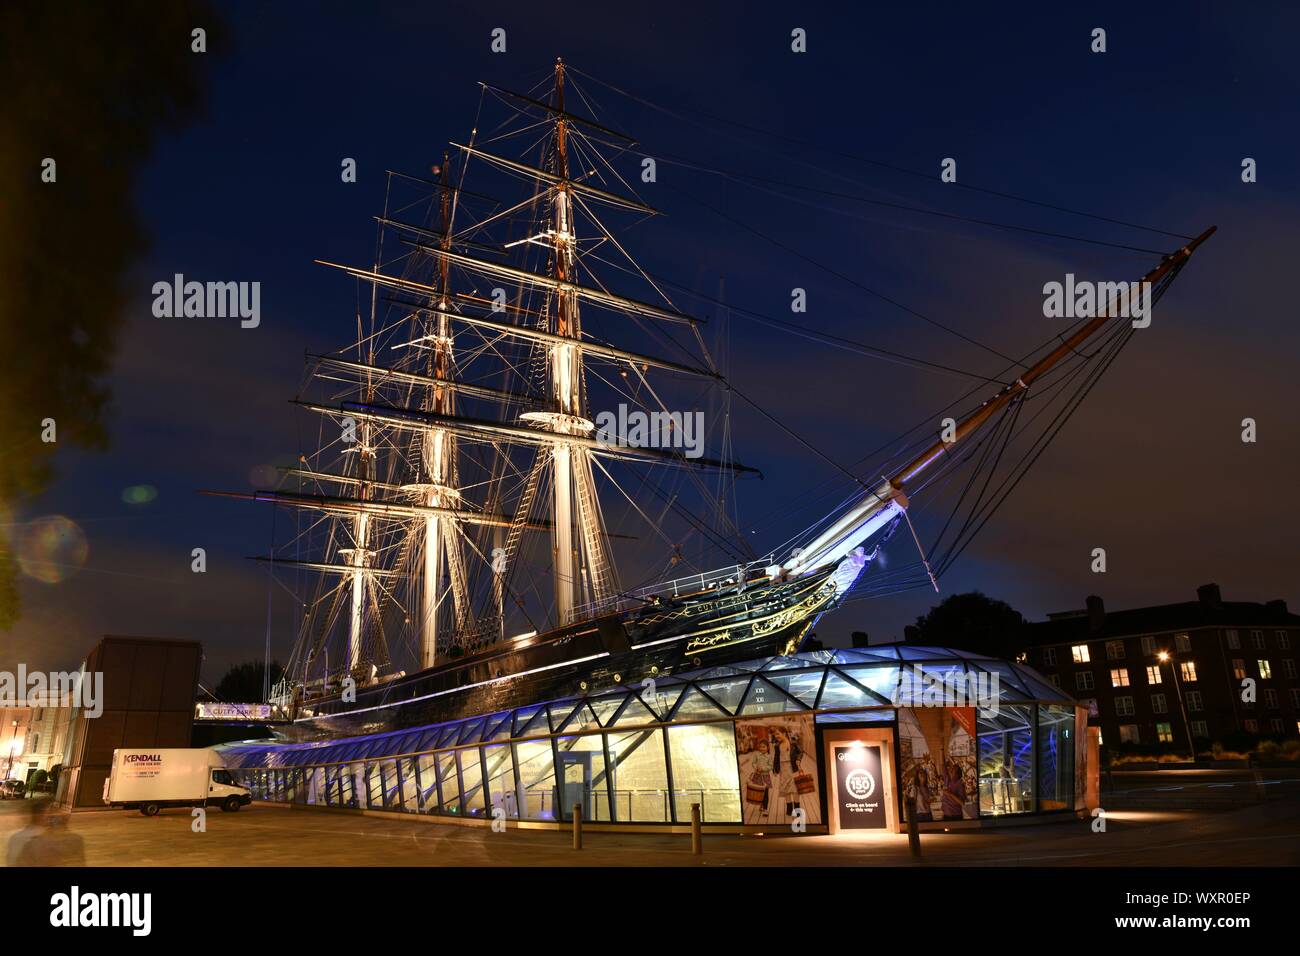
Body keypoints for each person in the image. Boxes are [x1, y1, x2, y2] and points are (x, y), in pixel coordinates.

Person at [6, 797, 85, 866]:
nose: (64, 813)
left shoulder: (16, 838)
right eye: (54, 809)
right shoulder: (40, 841)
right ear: (44, 814)